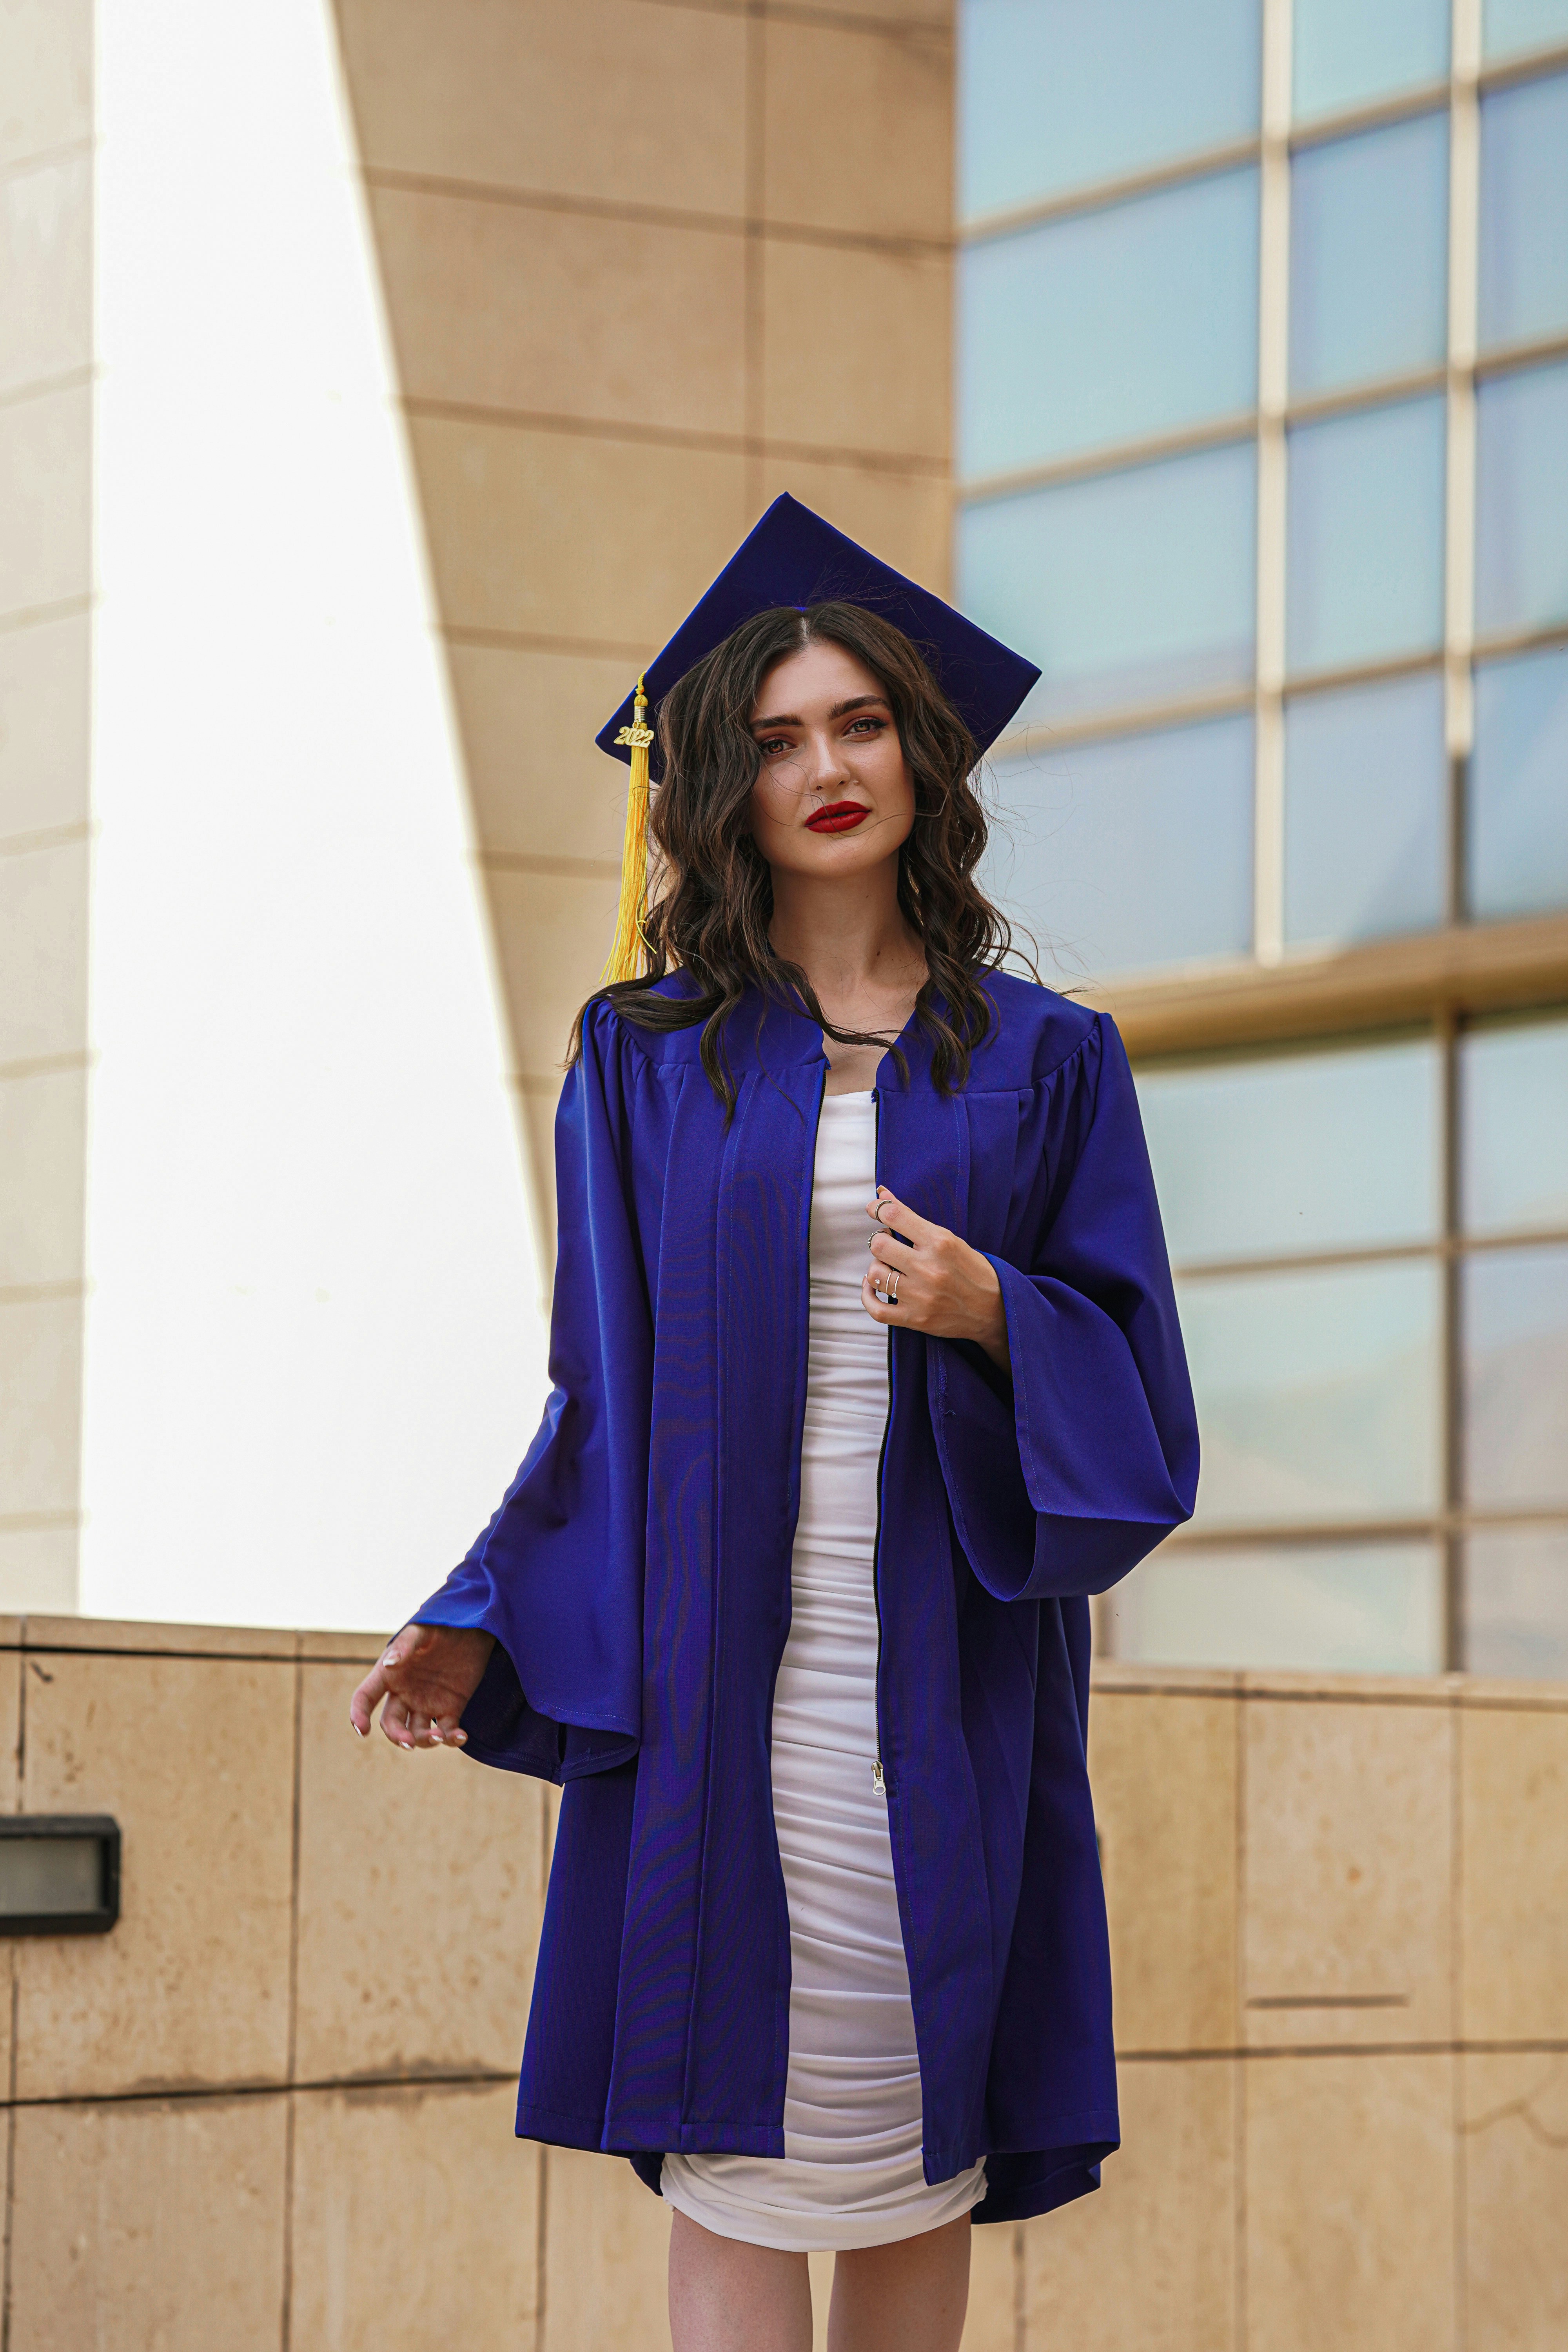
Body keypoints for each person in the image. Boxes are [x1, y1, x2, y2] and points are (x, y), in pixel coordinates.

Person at [350, 498, 1198, 2352]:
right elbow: (597, 1386)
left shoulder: (1048, 1058)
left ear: (922, 748)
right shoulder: (647, 1056)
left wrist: (996, 1313)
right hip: (723, 1680)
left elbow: (1139, 1400)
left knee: (915, 2134)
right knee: (734, 2138)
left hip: (946, 1682)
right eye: (780, 735)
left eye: (863, 723)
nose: (826, 767)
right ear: (719, 781)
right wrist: (478, 1604)